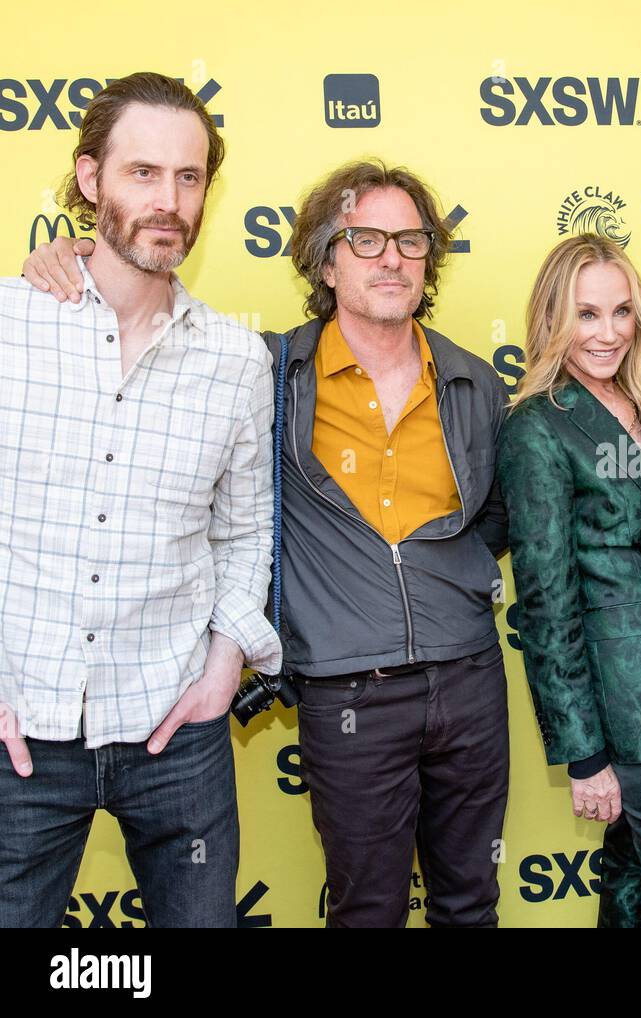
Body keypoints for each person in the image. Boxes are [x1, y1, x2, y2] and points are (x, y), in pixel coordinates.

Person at [22, 160, 512, 928]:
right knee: (367, 910)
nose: (393, 257)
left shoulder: (474, 382)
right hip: (347, 691)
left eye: (412, 241)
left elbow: (489, 521)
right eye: (367, 238)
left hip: (470, 681)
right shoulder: (270, 371)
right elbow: (237, 511)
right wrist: (67, 257)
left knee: (470, 903)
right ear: (325, 259)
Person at [0, 72, 279, 927]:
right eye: (143, 173)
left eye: (189, 177)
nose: (169, 201)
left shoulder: (236, 359)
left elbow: (246, 532)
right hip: (23, 732)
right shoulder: (11, 326)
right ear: (90, 180)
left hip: (178, 729)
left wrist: (226, 660)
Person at [496, 234, 641, 927]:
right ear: (552, 320)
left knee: (633, 894)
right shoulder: (537, 428)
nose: (607, 333)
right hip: (633, 710)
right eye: (586, 315)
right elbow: (545, 602)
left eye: (621, 312)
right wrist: (584, 753)